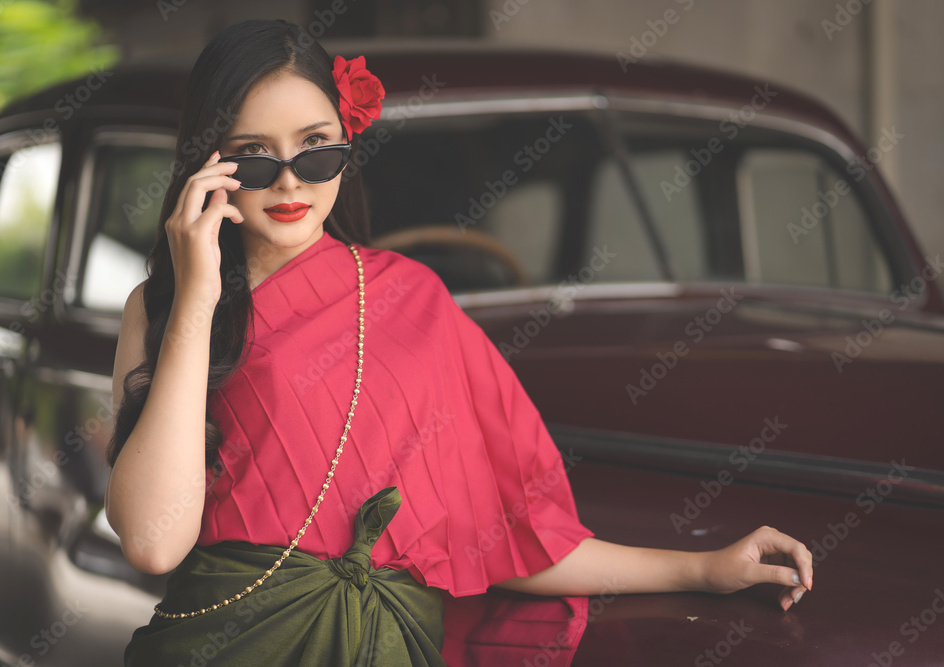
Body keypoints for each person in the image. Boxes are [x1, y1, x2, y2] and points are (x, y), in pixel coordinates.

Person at [104, 18, 814, 666]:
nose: (290, 180)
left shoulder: (414, 302)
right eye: (253, 156)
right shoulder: (162, 308)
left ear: (347, 144)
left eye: (317, 149)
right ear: (211, 164)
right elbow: (152, 540)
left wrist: (701, 567)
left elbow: (504, 537)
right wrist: (196, 297)